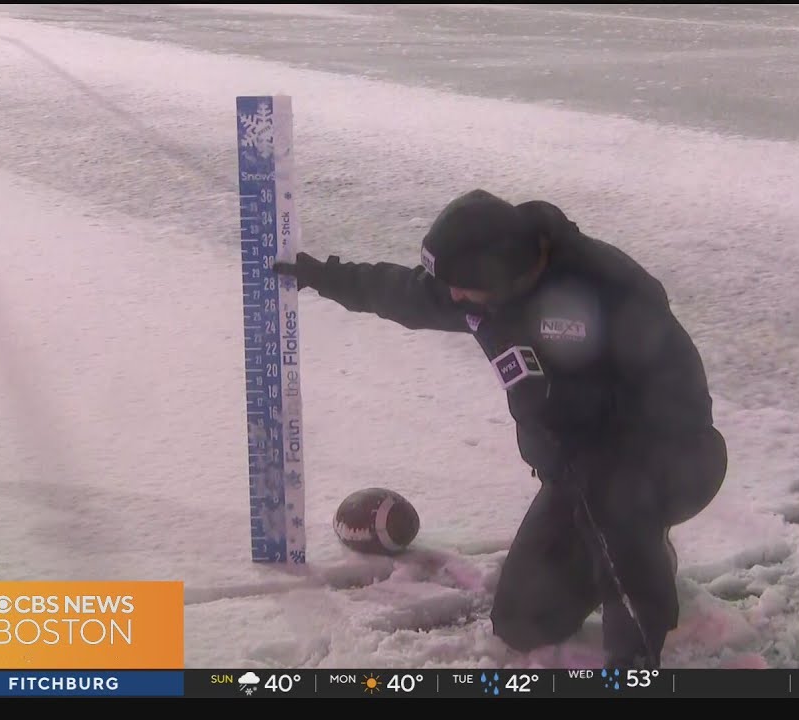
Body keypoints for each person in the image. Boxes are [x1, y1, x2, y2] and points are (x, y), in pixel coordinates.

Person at [274, 189, 727, 668]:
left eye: (458, 285)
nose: (450, 296)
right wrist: (322, 276)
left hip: (673, 459)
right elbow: (403, 294)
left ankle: (638, 631)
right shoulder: (487, 294)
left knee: (618, 521)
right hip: (578, 474)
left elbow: (674, 398)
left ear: (498, 270)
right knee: (521, 622)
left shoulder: (609, 291)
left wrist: (632, 637)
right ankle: (626, 555)